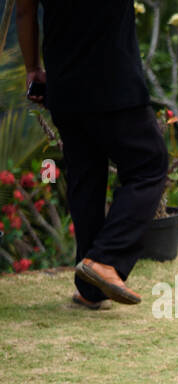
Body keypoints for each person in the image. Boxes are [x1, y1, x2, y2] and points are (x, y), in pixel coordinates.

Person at [16, 0, 168, 309]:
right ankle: (105, 259)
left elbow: (25, 10)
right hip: (114, 82)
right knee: (149, 165)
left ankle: (90, 289)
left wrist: (33, 68)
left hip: (64, 84)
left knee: (86, 177)